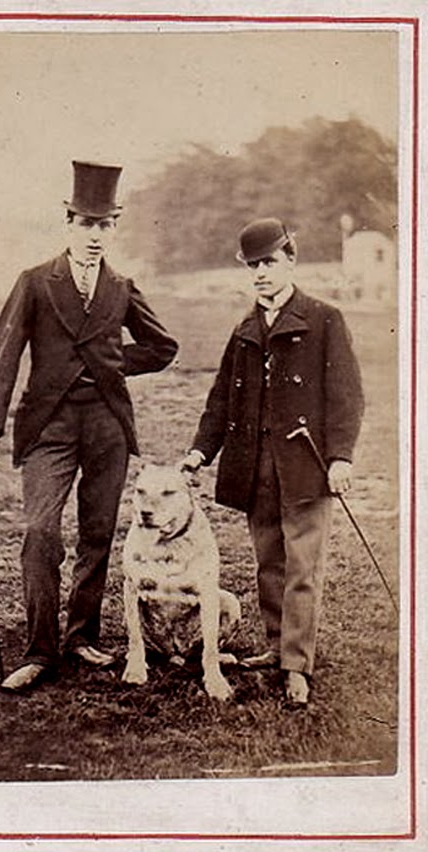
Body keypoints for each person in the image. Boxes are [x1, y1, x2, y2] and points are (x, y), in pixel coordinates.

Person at [0, 160, 178, 692]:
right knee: (40, 531)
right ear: (68, 224)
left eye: (105, 225)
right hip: (49, 425)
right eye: (86, 224)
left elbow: (162, 347)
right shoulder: (36, 281)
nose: (94, 235)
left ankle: (81, 637)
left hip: (107, 424)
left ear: (114, 228)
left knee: (98, 533)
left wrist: (110, 365)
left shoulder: (122, 286)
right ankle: (39, 650)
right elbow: (5, 353)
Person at [182, 217, 364, 707]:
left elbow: (347, 399)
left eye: (269, 262)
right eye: (253, 265)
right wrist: (202, 450)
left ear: (290, 260)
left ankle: (297, 666)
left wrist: (341, 457)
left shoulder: (325, 319)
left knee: (303, 566)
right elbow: (221, 399)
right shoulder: (244, 327)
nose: (261, 273)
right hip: (256, 466)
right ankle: (275, 646)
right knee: (269, 563)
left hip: (306, 466)